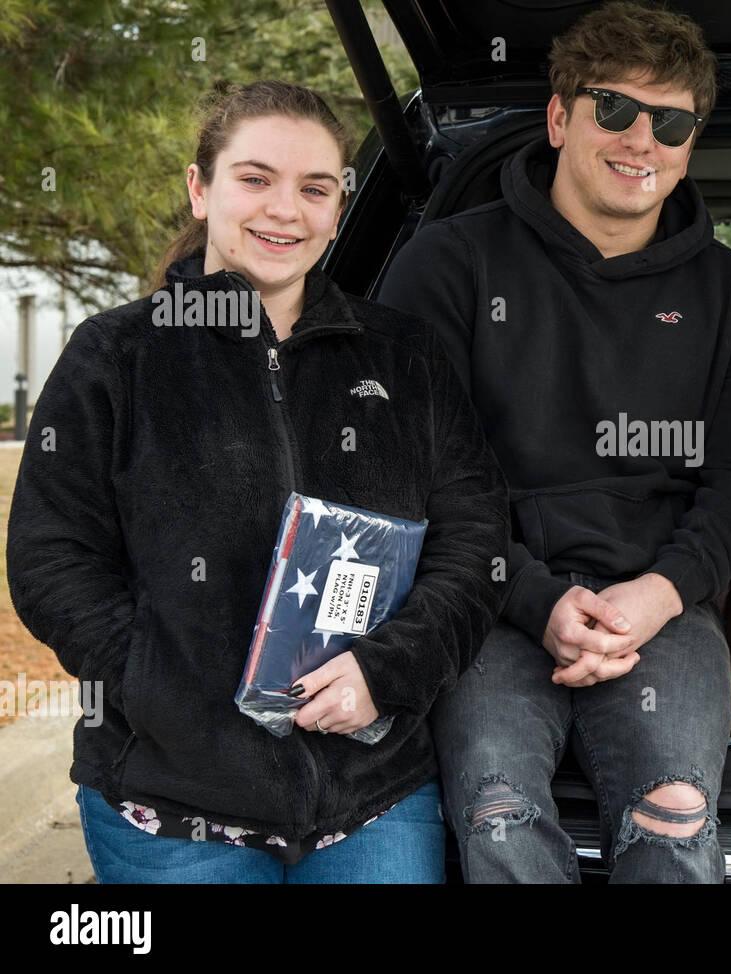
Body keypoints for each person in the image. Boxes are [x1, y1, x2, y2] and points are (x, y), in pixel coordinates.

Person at [7, 80, 510, 883]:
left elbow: (476, 541)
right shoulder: (116, 356)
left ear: (338, 211)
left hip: (373, 801)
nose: (285, 210)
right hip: (171, 809)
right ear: (200, 189)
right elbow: (49, 556)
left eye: (315, 189)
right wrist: (160, 684)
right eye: (255, 179)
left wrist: (389, 673)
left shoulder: (403, 356)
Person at [379, 1, 731, 883]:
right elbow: (414, 475)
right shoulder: (447, 266)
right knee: (494, 815)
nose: (642, 139)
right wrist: (532, 598)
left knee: (674, 819)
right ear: (560, 117)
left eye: (671, 122)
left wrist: (661, 594)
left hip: (663, 608)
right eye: (615, 110)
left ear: (690, 143)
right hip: (486, 598)